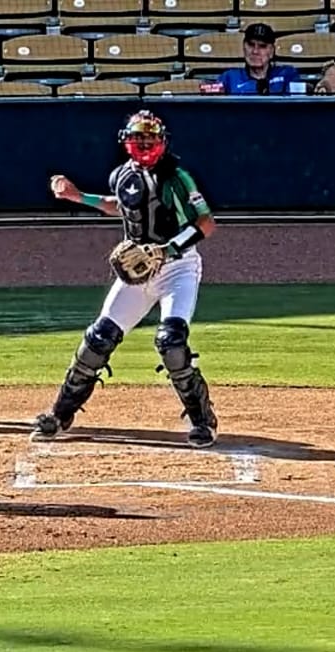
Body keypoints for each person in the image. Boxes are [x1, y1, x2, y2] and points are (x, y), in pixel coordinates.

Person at [39, 110, 220, 448]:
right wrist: (77, 196)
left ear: (162, 141)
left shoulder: (177, 177)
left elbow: (206, 223)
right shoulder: (123, 176)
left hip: (177, 268)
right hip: (138, 269)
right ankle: (60, 413)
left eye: (150, 139)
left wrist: (166, 251)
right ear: (127, 142)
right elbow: (117, 205)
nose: (145, 144)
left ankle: (201, 420)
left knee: (171, 341)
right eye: (139, 139)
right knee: (99, 338)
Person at [215, 23, 302, 95]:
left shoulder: (287, 75)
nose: (255, 51)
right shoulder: (229, 78)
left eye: (262, 46)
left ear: (271, 51)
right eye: (251, 45)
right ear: (243, 47)